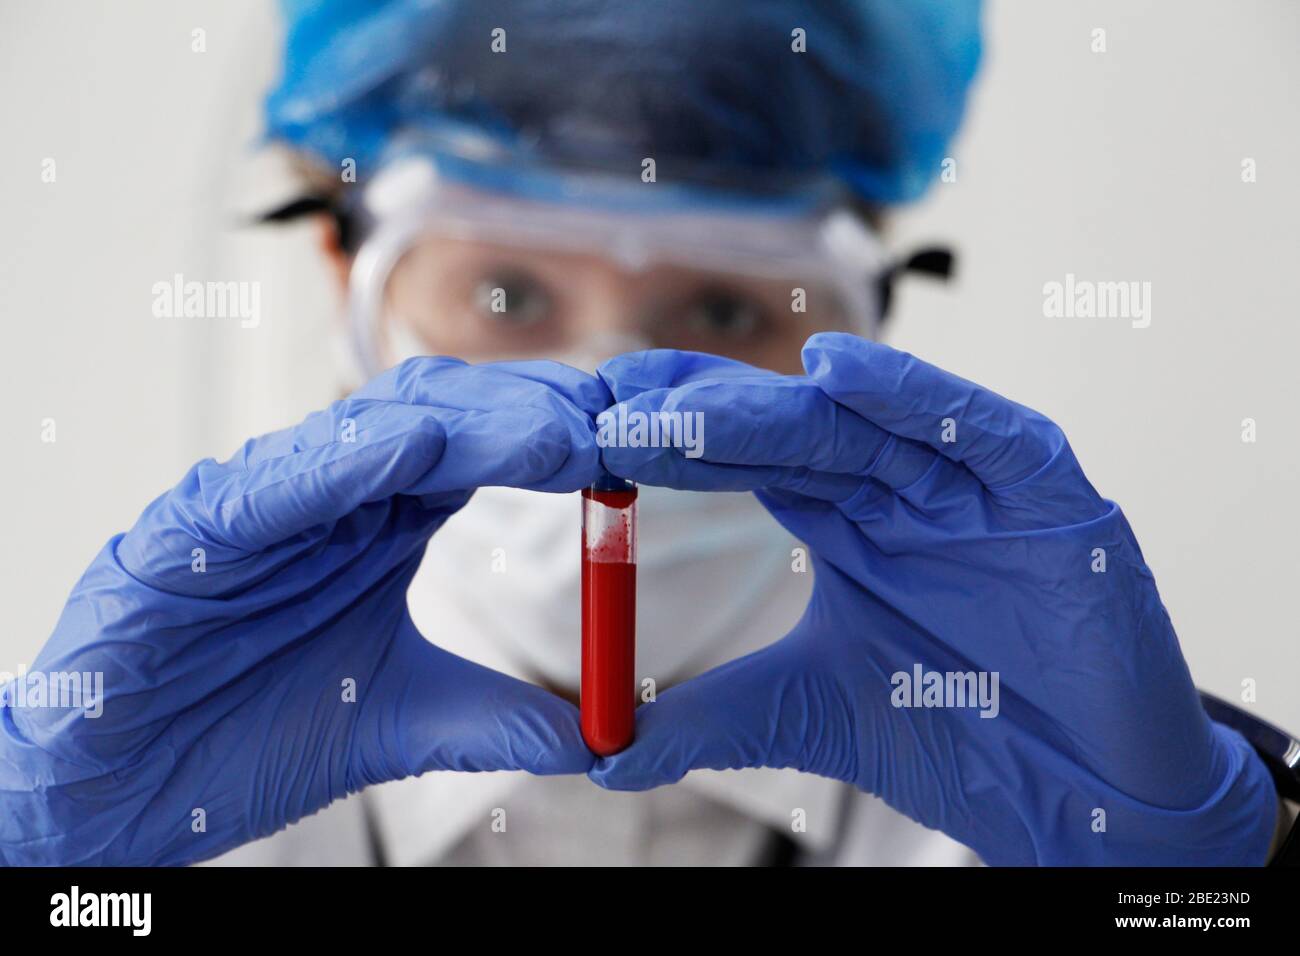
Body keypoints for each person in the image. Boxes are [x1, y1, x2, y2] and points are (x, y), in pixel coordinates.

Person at [1, 0, 1291, 867]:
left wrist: (1215, 882)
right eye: (507, 295)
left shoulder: (1050, 785)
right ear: (341, 274)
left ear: (871, 325)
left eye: (725, 305)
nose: (611, 404)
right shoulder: (158, 810)